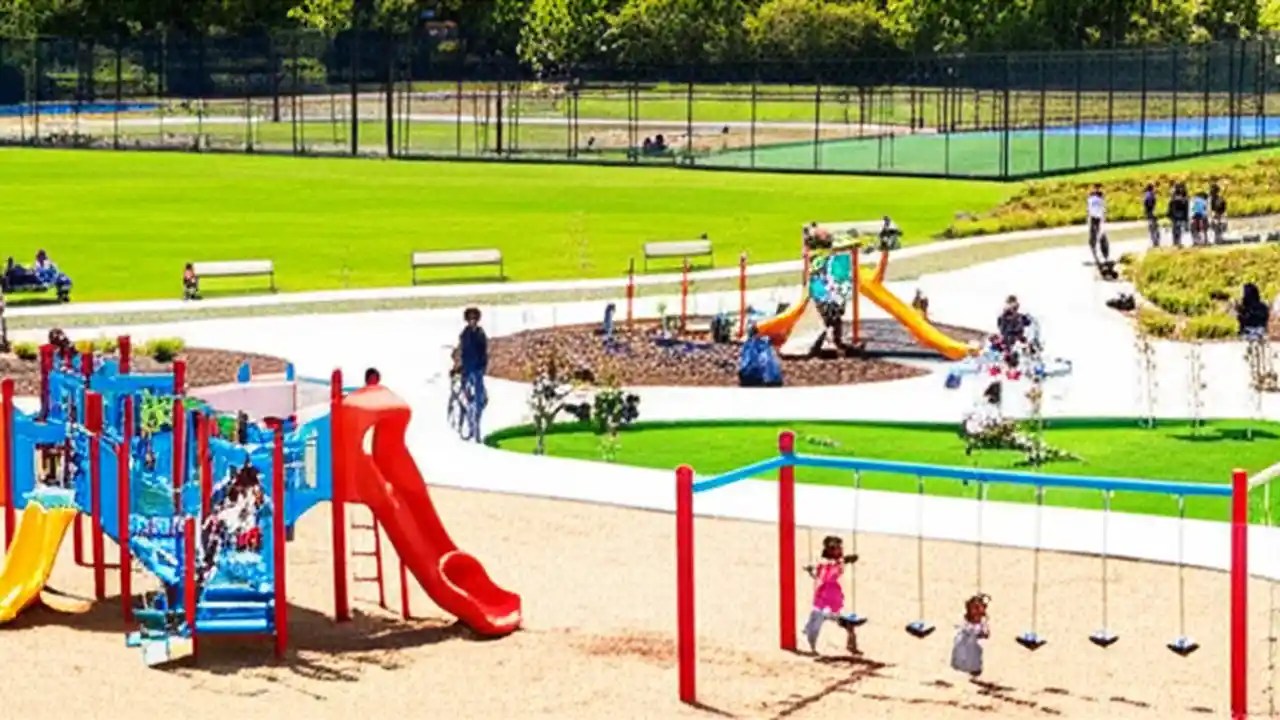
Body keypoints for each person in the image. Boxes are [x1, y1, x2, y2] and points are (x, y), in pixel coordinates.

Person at [801, 535, 859, 655]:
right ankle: (811, 648)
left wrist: (846, 560)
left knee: (846, 622)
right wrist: (811, 570)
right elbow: (822, 571)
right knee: (815, 625)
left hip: (834, 599)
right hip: (822, 599)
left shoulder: (838, 562)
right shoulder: (824, 563)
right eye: (837, 547)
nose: (840, 549)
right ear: (830, 549)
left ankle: (851, 644)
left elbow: (836, 566)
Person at [458, 307, 488, 437]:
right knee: (467, 398)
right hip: (467, 370)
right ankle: (469, 425)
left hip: (477, 370)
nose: (472, 321)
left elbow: (484, 352)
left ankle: (476, 422)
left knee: (480, 399)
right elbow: (462, 352)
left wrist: (482, 367)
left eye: (474, 319)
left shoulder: (481, 334)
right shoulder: (464, 334)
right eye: (470, 319)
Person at [950, 594, 992, 677]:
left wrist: (982, 632)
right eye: (974, 608)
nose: (976, 611)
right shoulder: (964, 621)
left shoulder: (982, 622)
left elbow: (986, 634)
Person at [1086, 183, 1106, 255]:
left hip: (1098, 215)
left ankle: (1099, 245)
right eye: (1096, 187)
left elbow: (1103, 205)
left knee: (1099, 230)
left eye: (1098, 187)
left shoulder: (1101, 194)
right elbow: (1089, 206)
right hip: (1093, 215)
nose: (1097, 189)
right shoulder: (1091, 195)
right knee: (1092, 231)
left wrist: (1103, 214)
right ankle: (1093, 244)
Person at [1168, 182, 1189, 248]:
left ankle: (1175, 242)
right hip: (1179, 214)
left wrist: (1169, 214)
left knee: (1175, 228)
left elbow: (1170, 206)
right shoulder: (1182, 198)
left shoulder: (1173, 198)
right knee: (1178, 228)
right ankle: (1178, 242)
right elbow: (1185, 207)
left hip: (1175, 214)